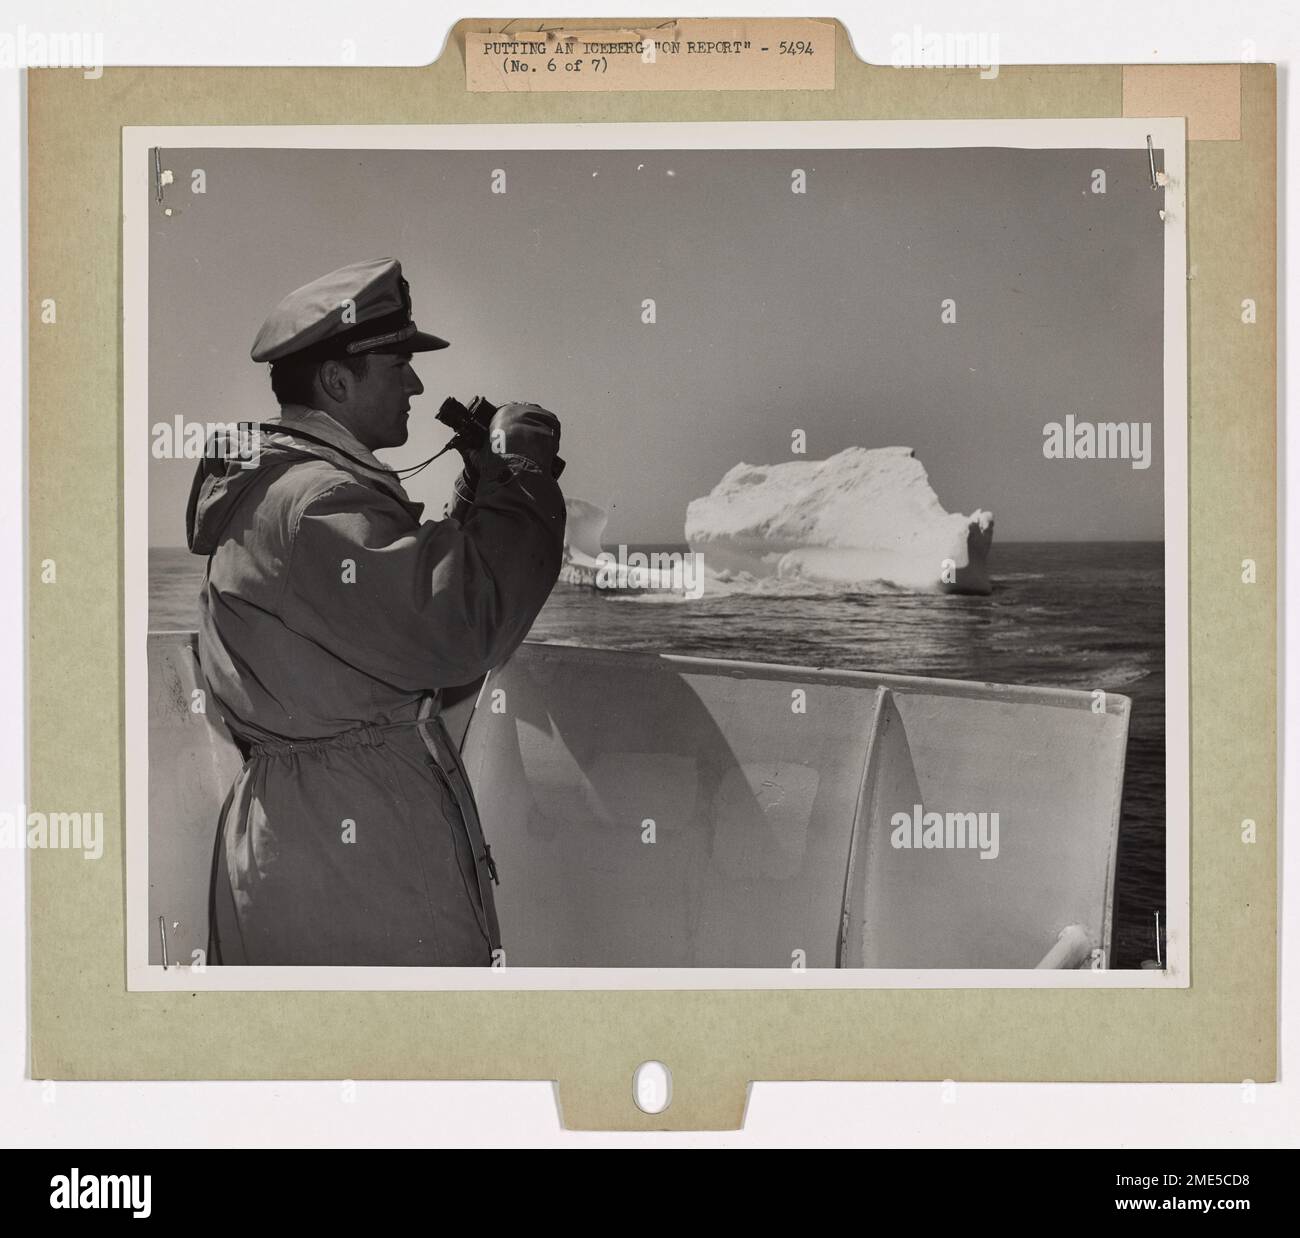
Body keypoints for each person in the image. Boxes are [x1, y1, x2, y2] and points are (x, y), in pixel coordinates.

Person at [186, 257, 565, 965]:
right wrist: (525, 476)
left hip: (306, 835)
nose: (417, 382)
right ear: (338, 380)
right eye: (399, 364)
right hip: (351, 855)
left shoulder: (282, 491)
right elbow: (464, 626)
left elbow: (389, 608)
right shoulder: (321, 505)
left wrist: (474, 500)